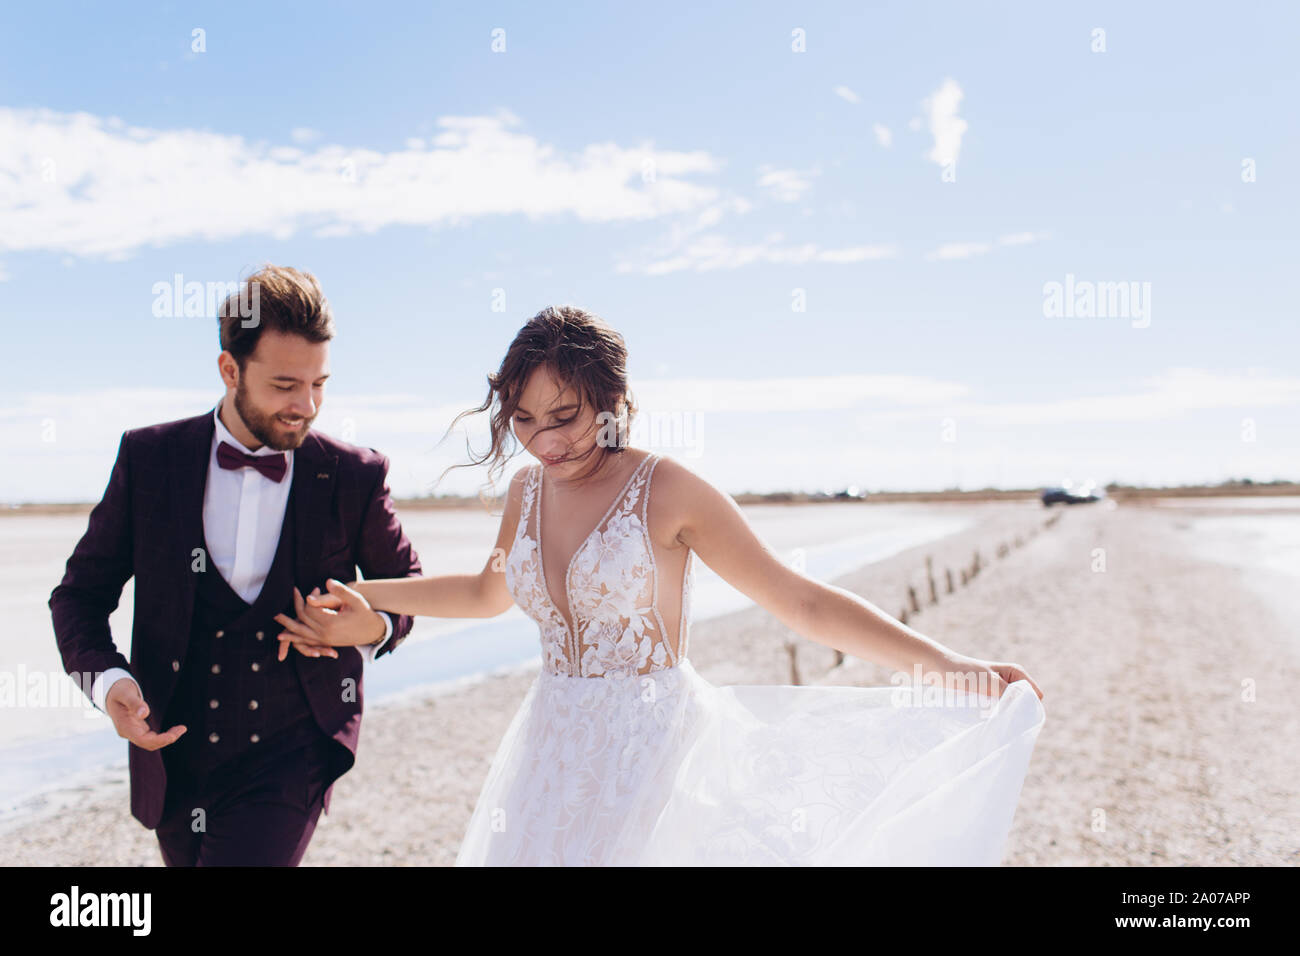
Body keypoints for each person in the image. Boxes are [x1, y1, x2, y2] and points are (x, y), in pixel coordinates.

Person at [290, 304, 1047, 865]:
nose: (545, 441)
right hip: (549, 746)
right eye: (523, 420)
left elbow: (802, 599)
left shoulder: (669, 490)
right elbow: (487, 594)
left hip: (653, 745)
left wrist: (948, 669)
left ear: (612, 401)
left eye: (566, 416)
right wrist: (372, 596)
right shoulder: (527, 490)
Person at [49, 264, 423, 866]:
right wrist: (111, 683)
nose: (307, 406)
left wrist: (373, 627)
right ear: (230, 369)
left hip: (291, 755)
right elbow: (79, 596)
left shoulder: (354, 475)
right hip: (171, 751)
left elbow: (407, 591)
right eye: (284, 385)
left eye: (319, 384)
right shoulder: (149, 459)